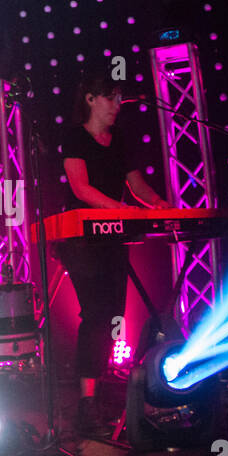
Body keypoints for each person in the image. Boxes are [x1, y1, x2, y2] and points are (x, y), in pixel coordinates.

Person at [54, 74, 171, 428]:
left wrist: (159, 204)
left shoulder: (119, 139)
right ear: (90, 99)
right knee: (96, 313)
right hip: (81, 238)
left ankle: (99, 394)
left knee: (113, 315)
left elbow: (136, 185)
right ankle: (86, 402)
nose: (118, 105)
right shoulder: (74, 136)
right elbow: (81, 187)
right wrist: (119, 209)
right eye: (112, 98)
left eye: (120, 98)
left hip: (113, 236)